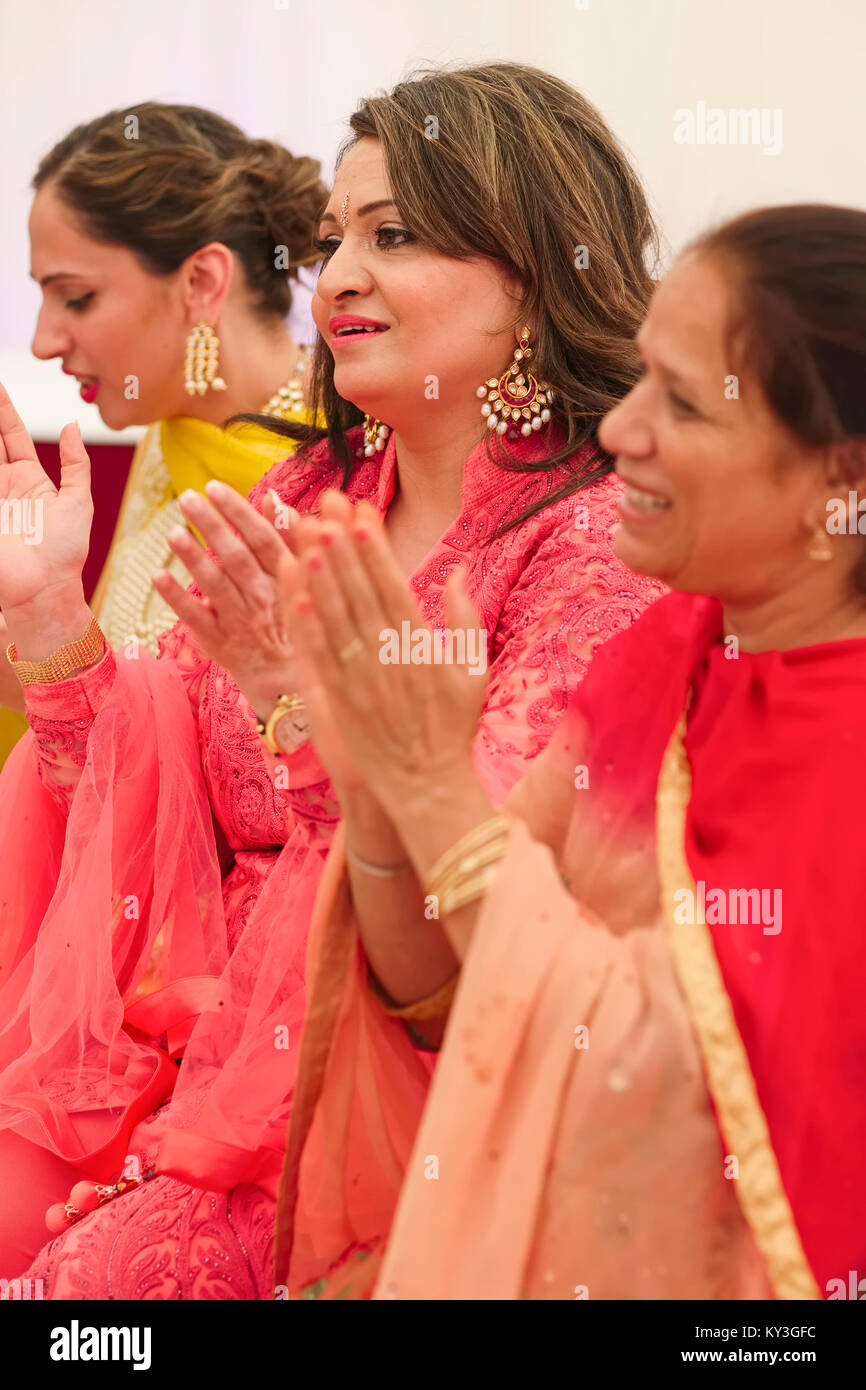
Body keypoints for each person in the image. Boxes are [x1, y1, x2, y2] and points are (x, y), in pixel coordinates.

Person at [0, 63, 663, 1294]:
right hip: (196, 1080)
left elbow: (470, 906)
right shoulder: (303, 497)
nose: (339, 275)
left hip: (399, 1113)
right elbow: (140, 818)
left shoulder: (595, 544)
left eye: (392, 235)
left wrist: (301, 716)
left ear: (533, 268)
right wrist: (48, 624)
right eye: (334, 238)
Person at [272, 203, 866, 1300]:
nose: (618, 431)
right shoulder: (671, 653)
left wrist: (431, 786)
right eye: (638, 379)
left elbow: (669, 1089)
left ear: (843, 479)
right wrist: (378, 798)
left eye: (682, 403)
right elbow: (455, 993)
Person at [0, 102, 324, 765]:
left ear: (201, 281)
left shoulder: (353, 463)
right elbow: (117, 747)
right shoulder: (169, 441)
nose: (41, 342)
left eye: (77, 297)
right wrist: (37, 642)